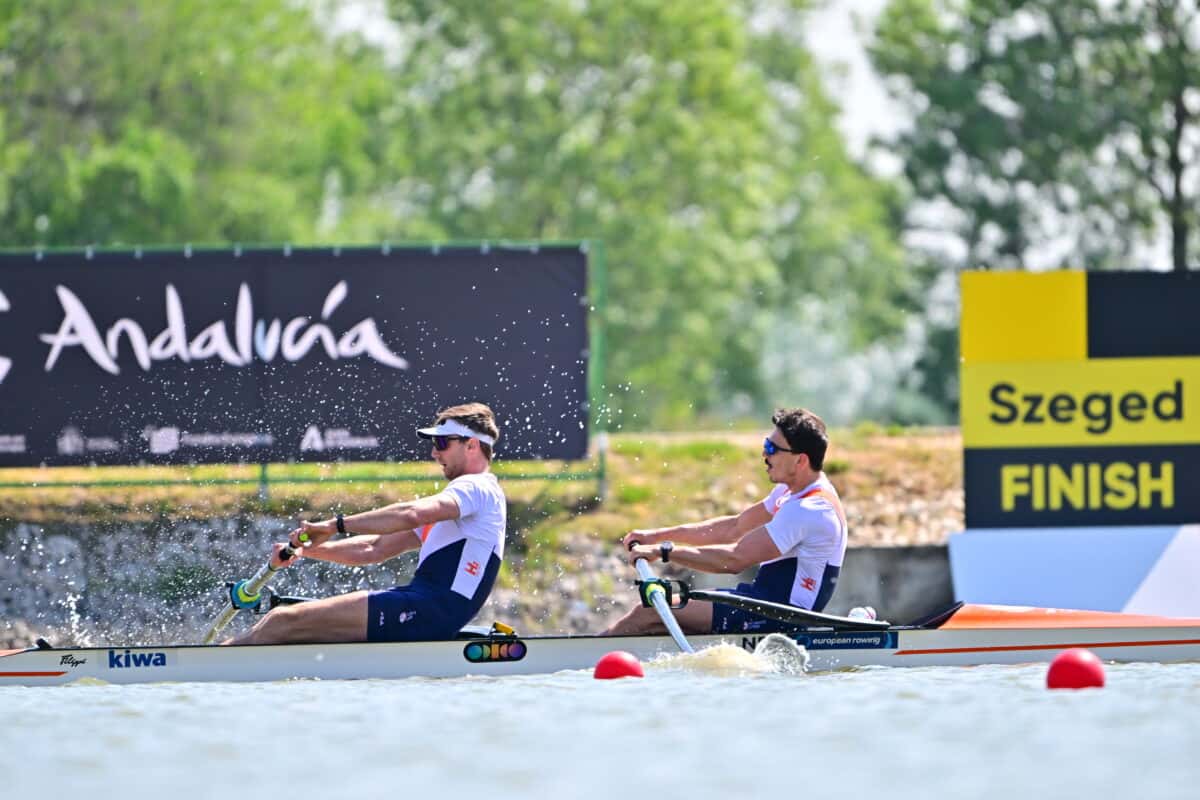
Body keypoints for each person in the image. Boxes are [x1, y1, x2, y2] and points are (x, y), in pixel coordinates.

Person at [225, 402, 506, 645]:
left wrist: (333, 526)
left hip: (430, 609)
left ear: (471, 445)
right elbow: (374, 548)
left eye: (442, 443)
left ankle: (205, 673)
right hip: (426, 607)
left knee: (279, 622)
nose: (434, 453)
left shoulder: (476, 487)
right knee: (279, 622)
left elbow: (410, 513)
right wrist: (303, 551)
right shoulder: (466, 502)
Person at [602, 407, 847, 636]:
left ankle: (583, 669)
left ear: (800, 460)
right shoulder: (791, 491)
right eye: (766, 444)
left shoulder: (810, 509)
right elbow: (734, 527)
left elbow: (734, 559)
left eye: (773, 448)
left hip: (782, 617)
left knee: (652, 611)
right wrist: (656, 536)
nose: (764, 453)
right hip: (761, 603)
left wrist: (664, 552)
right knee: (663, 620)